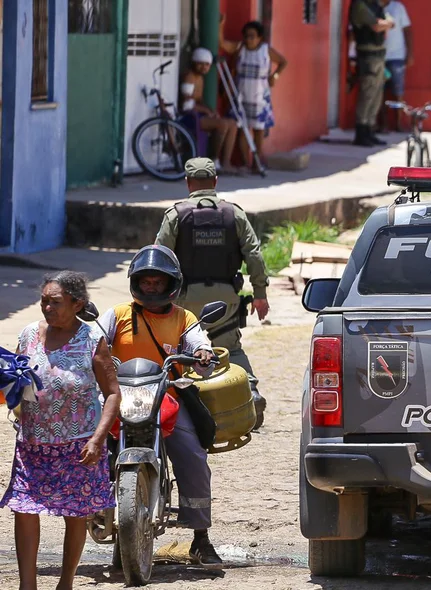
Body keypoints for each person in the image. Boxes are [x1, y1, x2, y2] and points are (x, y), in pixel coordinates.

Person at [96, 245, 222, 566]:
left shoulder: (185, 317)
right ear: (136, 282)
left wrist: (203, 354)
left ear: (171, 285)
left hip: (166, 398)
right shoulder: (119, 313)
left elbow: (199, 346)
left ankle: (200, 536)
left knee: (192, 453)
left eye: (158, 283)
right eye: (146, 282)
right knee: (90, 442)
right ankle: (94, 508)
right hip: (121, 396)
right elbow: (94, 340)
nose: (151, 288)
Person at [1, 271, 121, 590]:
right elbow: (16, 378)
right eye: (44, 301)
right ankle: (28, 585)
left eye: (55, 302)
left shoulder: (92, 340)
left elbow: (112, 392)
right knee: (24, 509)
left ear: (77, 303)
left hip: (78, 445)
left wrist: (98, 440)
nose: (47, 308)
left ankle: (65, 582)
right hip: (32, 442)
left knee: (75, 513)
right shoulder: (28, 334)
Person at [155, 157, 270, 429]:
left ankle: (179, 403)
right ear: (216, 182)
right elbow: (254, 254)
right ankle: (250, 391)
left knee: (181, 349)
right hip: (226, 296)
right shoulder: (234, 214)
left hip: (185, 298)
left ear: (187, 183)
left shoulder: (176, 215)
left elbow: (160, 257)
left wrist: (159, 299)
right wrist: (260, 293)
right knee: (231, 347)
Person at [218, 17, 288, 173]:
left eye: (252, 36)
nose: (249, 39)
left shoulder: (265, 50)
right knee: (243, 129)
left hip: (259, 96)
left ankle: (257, 162)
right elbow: (223, 44)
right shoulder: (240, 48)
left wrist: (274, 76)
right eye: (247, 36)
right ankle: (246, 162)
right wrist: (220, 27)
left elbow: (283, 62)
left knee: (258, 130)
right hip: (242, 94)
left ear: (259, 37)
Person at [179, 47, 243, 175]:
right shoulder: (190, 77)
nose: (203, 67)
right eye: (200, 64)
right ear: (194, 62)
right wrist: (207, 112)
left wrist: (211, 111)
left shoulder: (200, 79)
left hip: (197, 114)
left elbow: (199, 101)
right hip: (187, 117)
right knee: (222, 124)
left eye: (206, 65)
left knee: (232, 124)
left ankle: (225, 163)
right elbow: (186, 105)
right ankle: (213, 161)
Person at [350, 0, 396, 146]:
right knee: (367, 94)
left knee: (377, 95)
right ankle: (361, 132)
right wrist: (385, 24)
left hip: (379, 55)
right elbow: (377, 26)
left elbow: (391, 21)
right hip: (368, 55)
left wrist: (386, 23)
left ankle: (370, 129)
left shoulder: (375, 5)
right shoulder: (360, 5)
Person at [380, 0, 412, 133]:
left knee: (398, 92)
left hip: (397, 56)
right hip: (380, 56)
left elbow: (407, 30)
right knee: (381, 93)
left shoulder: (398, 8)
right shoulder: (375, 7)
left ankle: (399, 123)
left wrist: (410, 53)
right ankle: (383, 124)